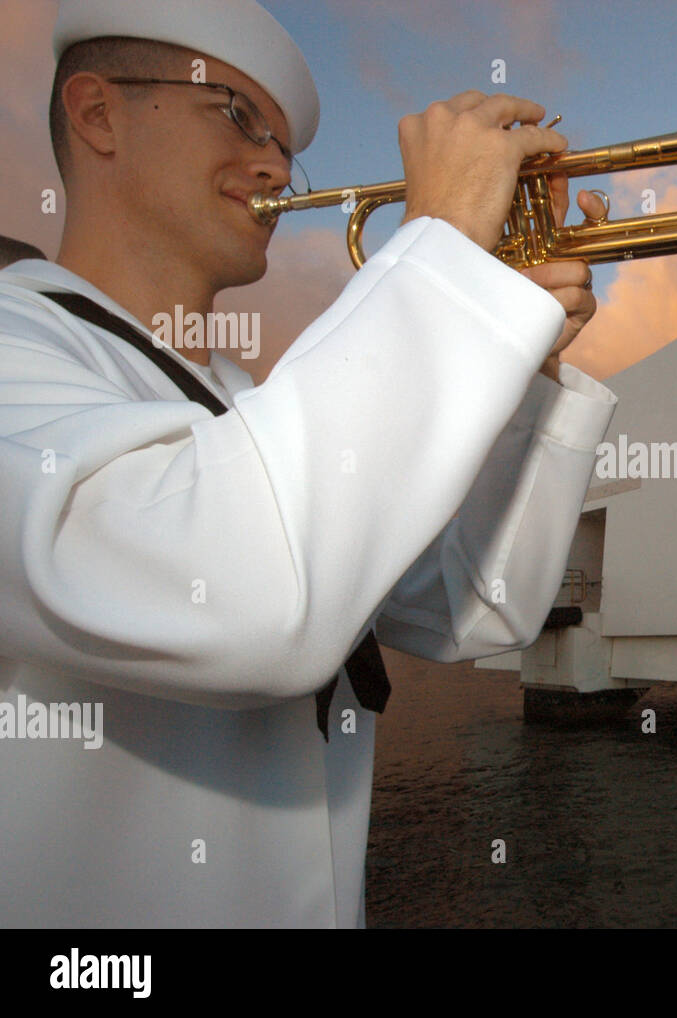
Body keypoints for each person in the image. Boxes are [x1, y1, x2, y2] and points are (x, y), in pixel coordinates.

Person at [0, 0, 616, 927]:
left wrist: (524, 371)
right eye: (238, 116)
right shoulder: (19, 346)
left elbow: (471, 606)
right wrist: (438, 255)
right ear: (98, 115)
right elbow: (255, 595)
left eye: (285, 147)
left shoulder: (245, 403)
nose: (273, 167)